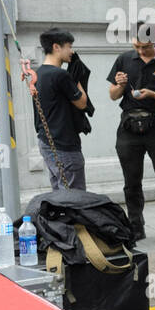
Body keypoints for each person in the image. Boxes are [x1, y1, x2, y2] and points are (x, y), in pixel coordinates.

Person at [107, 23, 155, 243]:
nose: (140, 51)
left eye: (144, 47)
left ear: (154, 41)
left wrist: (153, 94)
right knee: (131, 181)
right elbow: (113, 95)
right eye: (136, 46)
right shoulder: (124, 59)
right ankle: (136, 227)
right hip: (129, 128)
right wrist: (119, 85)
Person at [32, 28, 89, 191]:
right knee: (74, 196)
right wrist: (76, 77)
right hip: (64, 144)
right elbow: (82, 103)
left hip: (47, 141)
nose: (71, 51)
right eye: (69, 46)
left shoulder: (39, 73)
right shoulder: (60, 75)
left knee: (60, 194)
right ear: (57, 47)